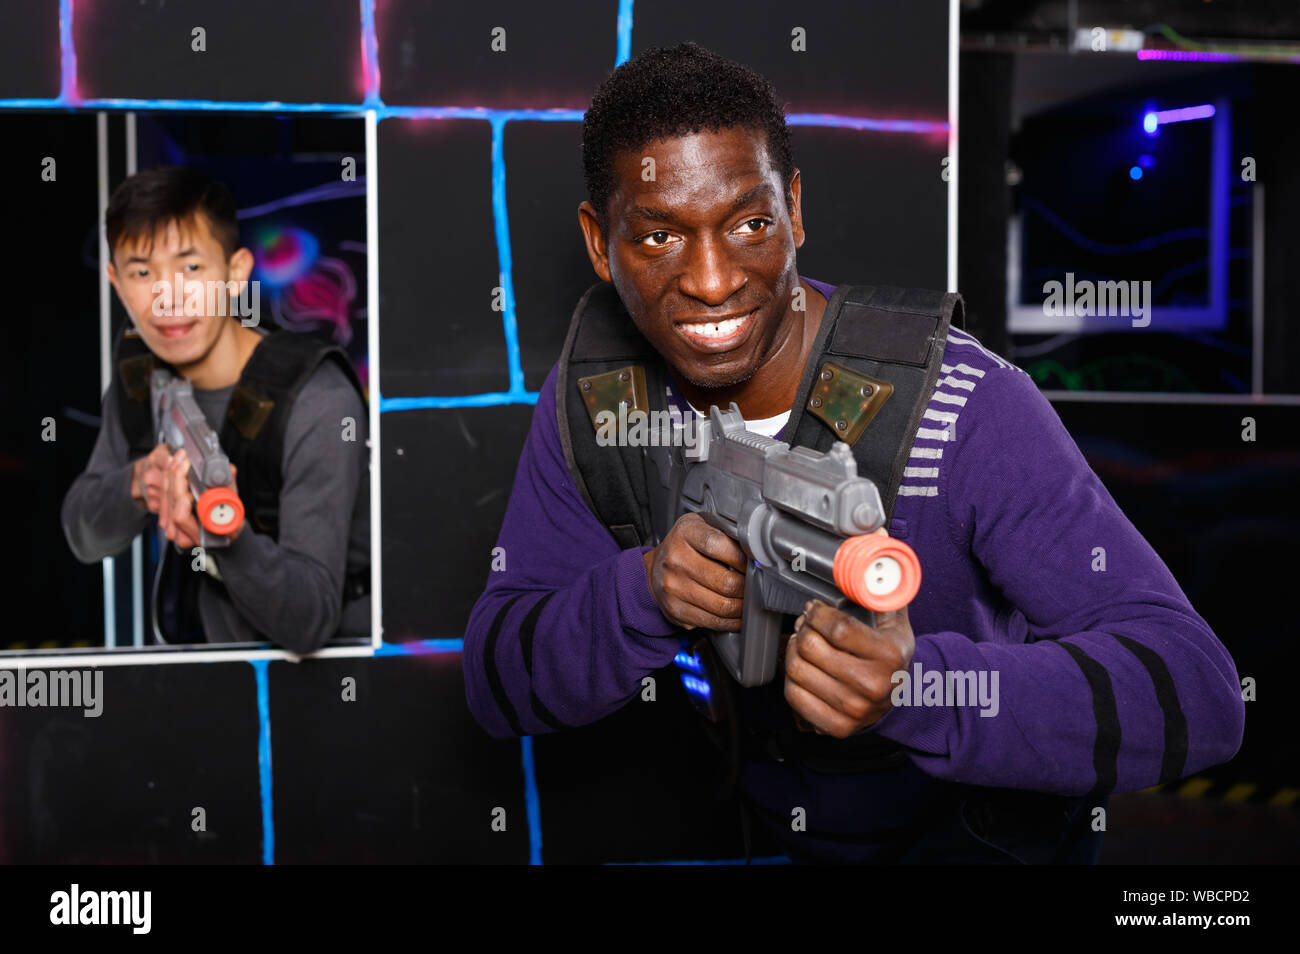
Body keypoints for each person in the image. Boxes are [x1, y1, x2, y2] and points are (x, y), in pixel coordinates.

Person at [462, 43, 1245, 862]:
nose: (712, 280)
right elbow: (495, 686)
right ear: (599, 242)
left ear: (795, 210)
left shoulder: (965, 405)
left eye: (750, 224)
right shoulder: (600, 400)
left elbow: (1198, 694)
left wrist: (922, 692)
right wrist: (644, 593)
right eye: (659, 237)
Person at [62, 166, 370, 654]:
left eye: (191, 268)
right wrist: (142, 483)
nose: (169, 297)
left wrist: (222, 530)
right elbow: (83, 534)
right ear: (116, 283)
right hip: (207, 673)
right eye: (142, 273)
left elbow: (309, 621)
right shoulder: (141, 381)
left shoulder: (315, 399)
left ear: (235, 274)